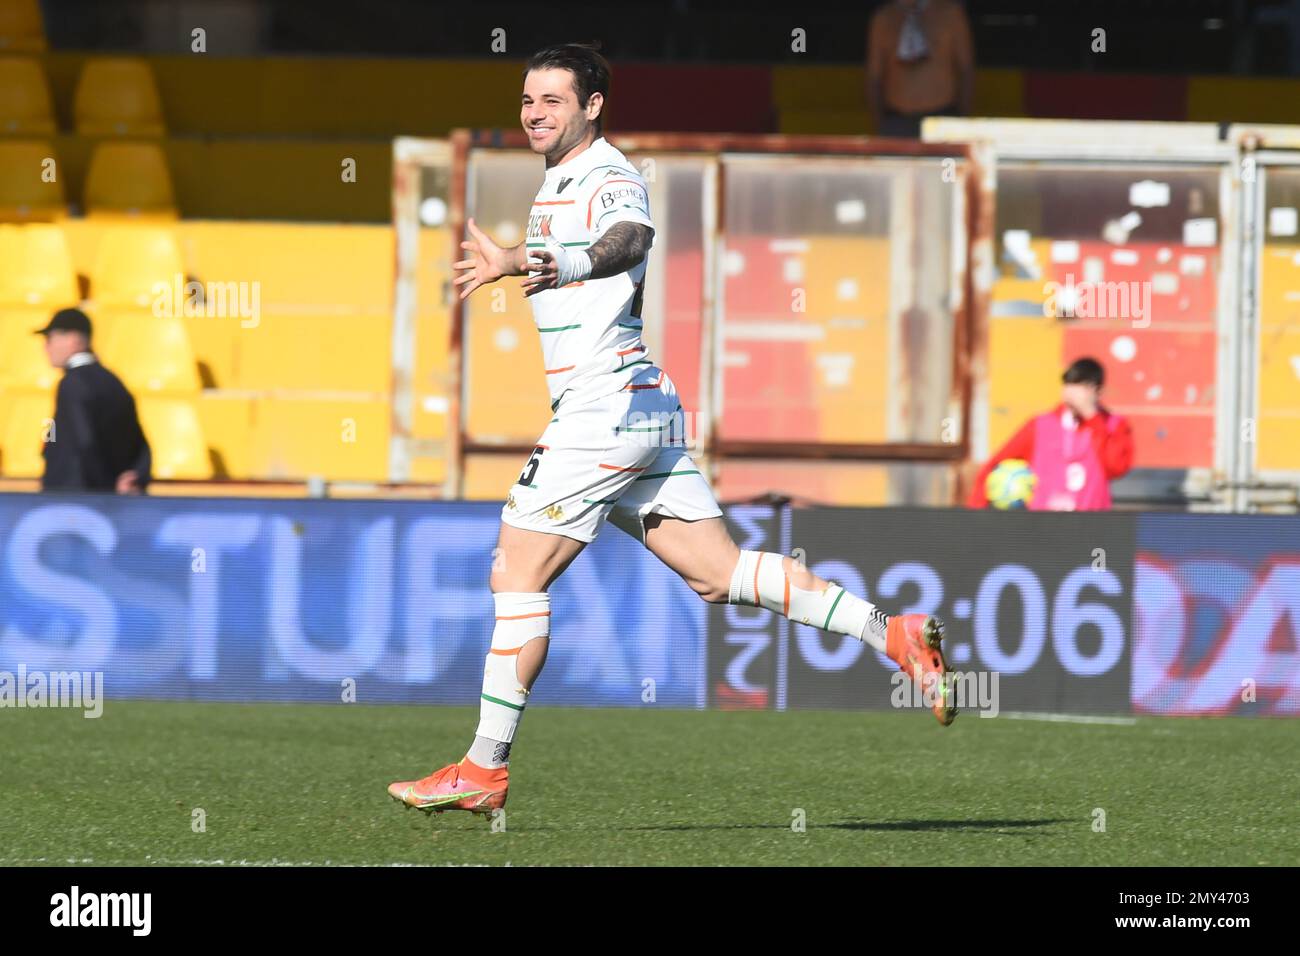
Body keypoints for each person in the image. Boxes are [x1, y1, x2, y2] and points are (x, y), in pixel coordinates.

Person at [386, 43, 959, 819]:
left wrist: (547, 260)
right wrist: (516, 261)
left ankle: (484, 769)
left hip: (607, 406)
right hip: (643, 404)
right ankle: (893, 634)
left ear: (592, 106)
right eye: (528, 100)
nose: (534, 112)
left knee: (516, 574)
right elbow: (585, 251)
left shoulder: (610, 173)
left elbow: (630, 240)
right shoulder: (557, 181)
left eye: (553, 99)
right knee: (719, 575)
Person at [967, 357, 1134, 511]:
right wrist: (975, 517)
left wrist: (1093, 418)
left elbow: (1116, 467)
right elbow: (996, 465)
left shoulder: (1113, 425)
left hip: (1091, 522)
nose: (1074, 392)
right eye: (1070, 384)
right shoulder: (1040, 425)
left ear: (1097, 391)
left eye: (1083, 386)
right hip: (1044, 524)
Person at [35, 307, 151, 494]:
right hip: (106, 499)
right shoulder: (115, 382)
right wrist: (137, 475)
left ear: (73, 340)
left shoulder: (71, 383)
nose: (46, 347)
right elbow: (141, 443)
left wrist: (106, 488)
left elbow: (84, 441)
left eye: (50, 338)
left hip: (76, 499)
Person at [866, 0, 974, 139]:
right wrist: (882, 123)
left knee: (946, 161)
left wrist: (961, 119)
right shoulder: (884, 17)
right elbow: (874, 76)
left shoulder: (950, 13)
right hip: (897, 120)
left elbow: (966, 69)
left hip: (943, 118)